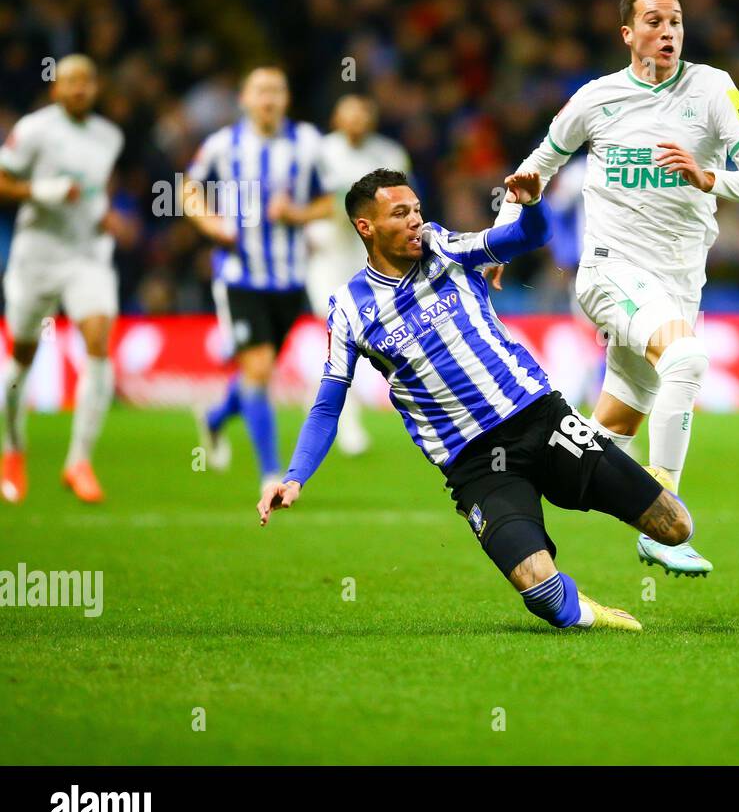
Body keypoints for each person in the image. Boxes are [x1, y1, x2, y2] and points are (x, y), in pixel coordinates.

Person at [258, 169, 696, 632]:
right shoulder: (349, 308)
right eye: (400, 213)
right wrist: (295, 477)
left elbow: (530, 235)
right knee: (543, 595)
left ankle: (628, 473)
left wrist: (531, 203)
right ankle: (590, 611)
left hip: (540, 421)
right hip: (476, 464)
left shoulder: (444, 248)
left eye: (417, 210)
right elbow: (329, 404)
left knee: (675, 527)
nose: (415, 221)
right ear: (366, 227)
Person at [492, 0, 739, 576]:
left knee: (613, 428)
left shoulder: (714, 88)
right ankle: (663, 516)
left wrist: (708, 178)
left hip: (678, 284)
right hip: (609, 271)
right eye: (653, 21)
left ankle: (520, 485)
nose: (667, 31)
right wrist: (500, 239)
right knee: (686, 361)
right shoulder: (597, 99)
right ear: (628, 34)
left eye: (675, 21)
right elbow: (536, 167)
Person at [184, 67, 334, 490]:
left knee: (259, 371)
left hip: (289, 279)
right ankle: (271, 473)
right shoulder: (222, 144)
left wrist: (297, 214)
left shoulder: (308, 142)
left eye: (276, 91)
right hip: (238, 275)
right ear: (244, 99)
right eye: (260, 91)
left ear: (286, 98)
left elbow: (329, 202)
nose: (268, 99)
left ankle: (214, 417)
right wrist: (212, 225)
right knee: (259, 366)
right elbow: (189, 190)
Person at [0, 55, 124, 503]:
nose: (78, 88)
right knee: (22, 357)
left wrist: (108, 219)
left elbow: (93, 192)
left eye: (86, 81)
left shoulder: (110, 136)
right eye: (70, 81)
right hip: (37, 256)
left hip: (86, 254)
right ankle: (13, 449)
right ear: (55, 87)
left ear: (96, 87)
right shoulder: (34, 130)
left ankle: (79, 461)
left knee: (98, 339)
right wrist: (37, 191)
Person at [308, 95, 412, 455]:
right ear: (337, 116)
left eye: (363, 112)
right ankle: (347, 424)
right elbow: (299, 201)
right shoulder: (318, 152)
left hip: (369, 260)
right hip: (326, 256)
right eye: (349, 111)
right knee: (340, 336)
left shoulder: (390, 155)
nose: (356, 119)